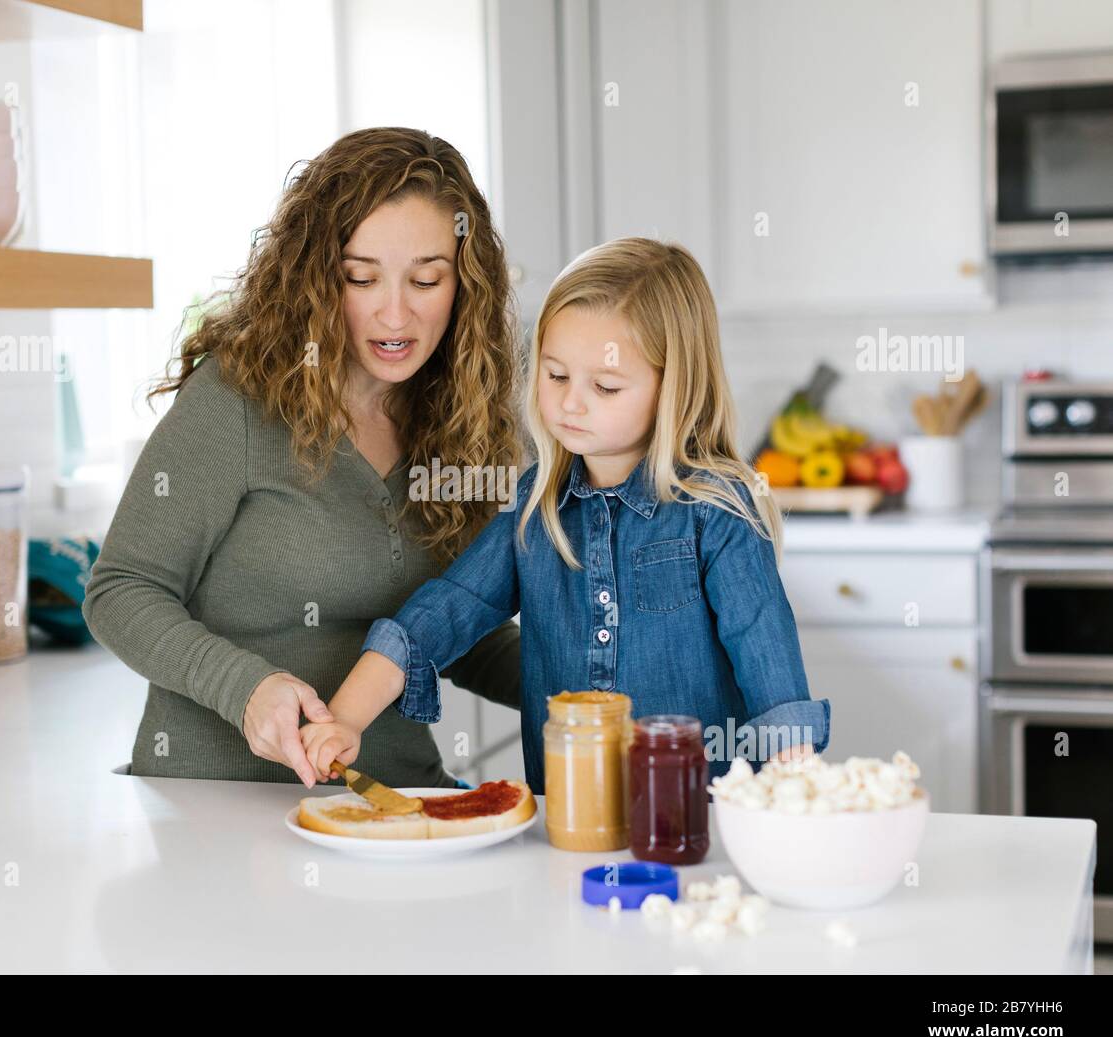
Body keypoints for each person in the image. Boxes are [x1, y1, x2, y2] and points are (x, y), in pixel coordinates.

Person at [301, 238, 831, 794]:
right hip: (566, 817)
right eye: (555, 376)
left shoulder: (715, 513)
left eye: (603, 386)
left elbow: (769, 663)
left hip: (697, 822)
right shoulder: (538, 507)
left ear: (674, 386)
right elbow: (444, 612)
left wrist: (793, 795)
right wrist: (345, 719)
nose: (571, 403)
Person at [83, 128, 525, 787]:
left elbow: (449, 624)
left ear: (465, 283)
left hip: (393, 795)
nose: (395, 313)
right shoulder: (236, 401)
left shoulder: (458, 418)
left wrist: (594, 685)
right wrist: (248, 688)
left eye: (426, 279)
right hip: (221, 801)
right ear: (319, 276)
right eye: (361, 277)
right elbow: (120, 590)